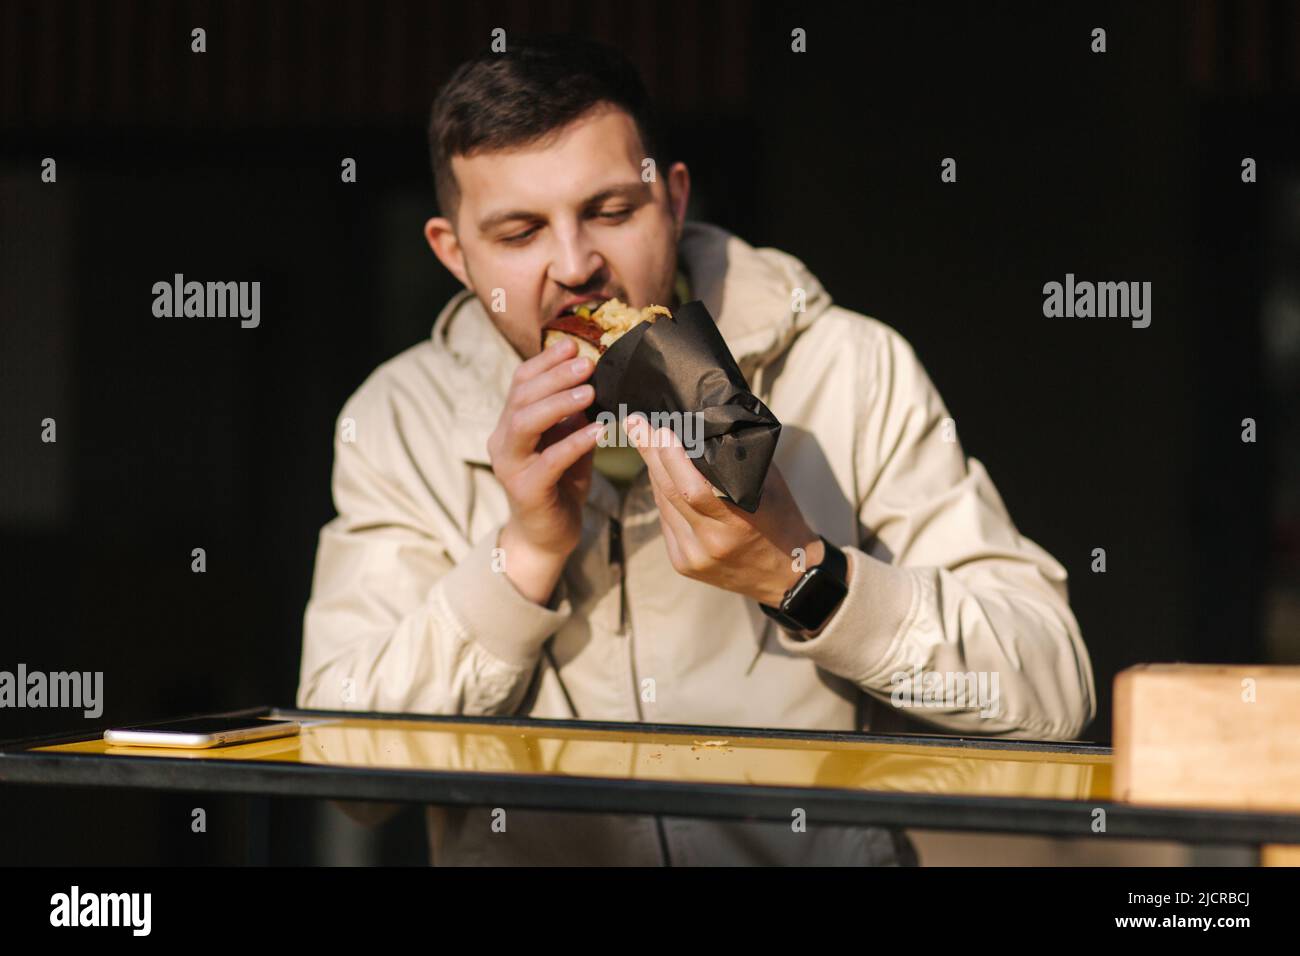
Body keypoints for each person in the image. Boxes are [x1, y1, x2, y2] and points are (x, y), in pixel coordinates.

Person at [296, 34, 1096, 866]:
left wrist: (803, 575)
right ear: (453, 253)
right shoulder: (397, 418)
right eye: (520, 231)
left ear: (674, 202)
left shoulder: (849, 368)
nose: (576, 267)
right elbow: (349, 780)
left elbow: (1051, 693)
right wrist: (522, 556)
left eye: (611, 211)